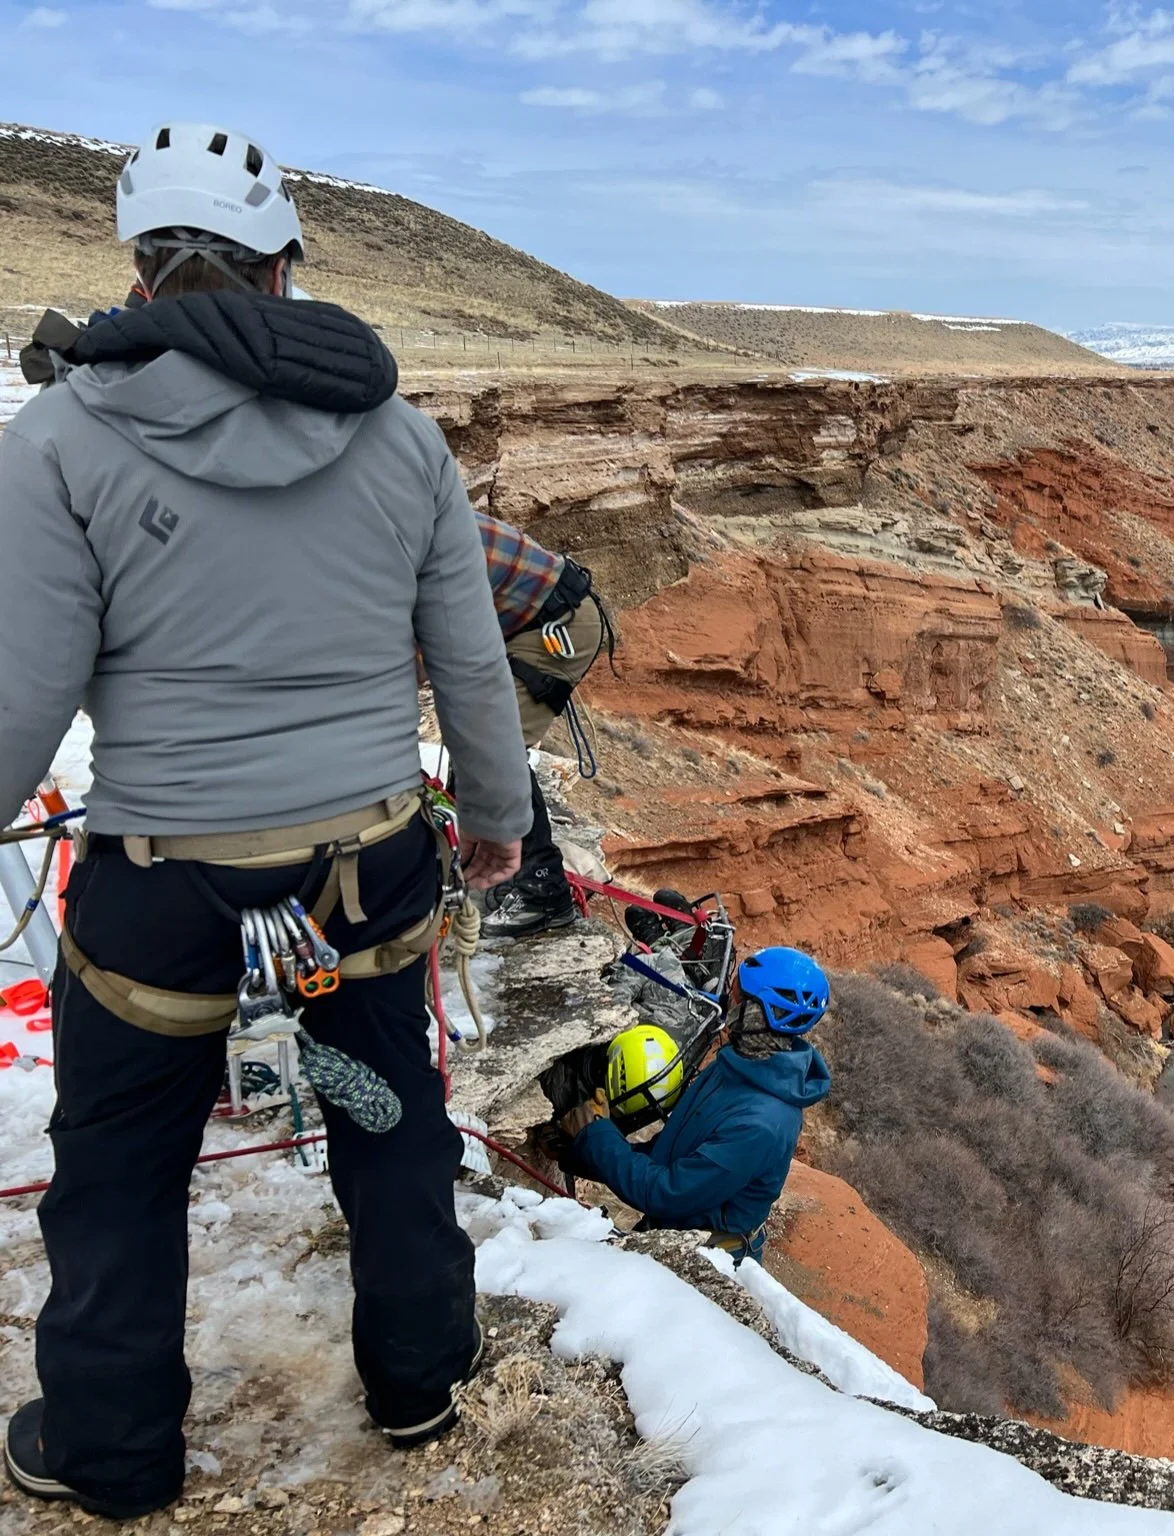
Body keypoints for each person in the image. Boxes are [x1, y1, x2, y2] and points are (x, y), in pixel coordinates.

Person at [0, 122, 531, 1519]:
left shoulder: (58, 437)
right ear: (283, 266)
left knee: (119, 1164)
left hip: (162, 884)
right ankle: (419, 1382)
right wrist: (494, 820)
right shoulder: (401, 437)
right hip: (367, 866)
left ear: (137, 267)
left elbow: (22, 693)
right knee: (395, 1123)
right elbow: (471, 661)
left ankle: (112, 1452)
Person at [559, 947, 833, 1257]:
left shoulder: (760, 1124)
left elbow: (667, 1192)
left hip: (704, 1259)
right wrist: (577, 1152)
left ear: (757, 1013)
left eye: (737, 994)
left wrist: (595, 1135)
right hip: (676, 1233)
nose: (727, 999)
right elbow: (671, 1152)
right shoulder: (736, 1066)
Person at [469, 513, 607, 941]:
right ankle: (505, 881)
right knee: (476, 751)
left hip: (557, 624)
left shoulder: (395, 545)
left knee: (491, 748)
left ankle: (542, 891)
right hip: (534, 617)